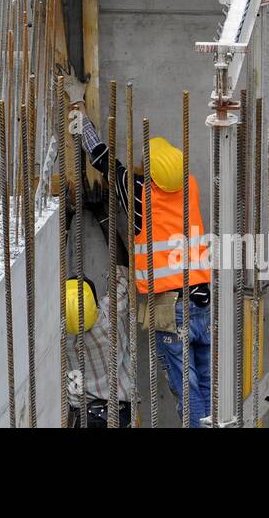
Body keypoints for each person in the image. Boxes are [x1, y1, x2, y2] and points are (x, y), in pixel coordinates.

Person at [66, 81, 212, 427]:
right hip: (203, 303)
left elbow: (102, 158)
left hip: (170, 309)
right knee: (205, 384)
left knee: (185, 387)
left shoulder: (140, 196)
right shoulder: (188, 189)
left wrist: (79, 114)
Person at [62, 209, 135, 427]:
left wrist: (64, 223)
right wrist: (105, 213)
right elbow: (123, 268)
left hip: (80, 419)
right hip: (115, 416)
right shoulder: (108, 320)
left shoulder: (57, 335)